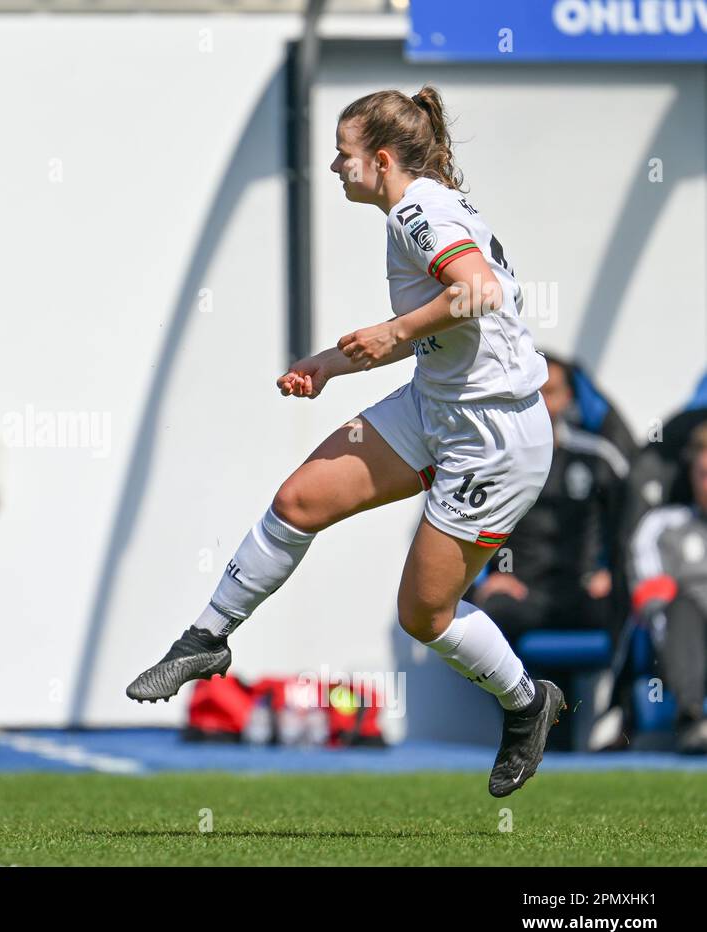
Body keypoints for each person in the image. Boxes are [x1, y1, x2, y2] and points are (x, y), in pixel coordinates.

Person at [127, 87, 567, 797]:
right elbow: (445, 322)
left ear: (382, 159)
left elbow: (477, 290)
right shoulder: (416, 209)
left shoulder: (421, 209)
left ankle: (526, 702)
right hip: (439, 404)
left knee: (423, 615)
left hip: (494, 435)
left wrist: (392, 333)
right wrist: (330, 365)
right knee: (299, 501)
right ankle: (205, 639)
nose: (335, 165)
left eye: (344, 152)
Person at [474, 355, 628, 645]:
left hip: (583, 592)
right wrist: (486, 581)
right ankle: (518, 692)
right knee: (487, 615)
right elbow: (464, 526)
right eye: (533, 394)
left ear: (568, 398)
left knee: (626, 609)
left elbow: (629, 524)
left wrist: (611, 574)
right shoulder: (492, 461)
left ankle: (618, 693)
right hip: (522, 594)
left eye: (550, 392)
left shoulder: (598, 457)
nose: (541, 402)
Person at [627, 422, 707, 753]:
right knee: (683, 604)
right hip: (688, 636)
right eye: (704, 473)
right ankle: (692, 722)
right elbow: (652, 600)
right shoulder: (662, 526)